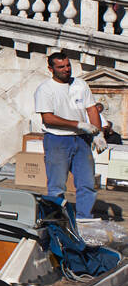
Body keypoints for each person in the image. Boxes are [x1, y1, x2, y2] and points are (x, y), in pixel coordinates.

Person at [34, 49, 103, 220]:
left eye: (68, 66)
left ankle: (84, 219)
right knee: (57, 186)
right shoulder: (45, 89)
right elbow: (48, 118)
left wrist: (98, 133)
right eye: (61, 67)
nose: (66, 69)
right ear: (51, 69)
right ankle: (58, 220)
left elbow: (92, 109)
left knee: (87, 184)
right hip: (57, 140)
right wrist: (79, 124)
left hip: (81, 139)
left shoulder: (80, 85)